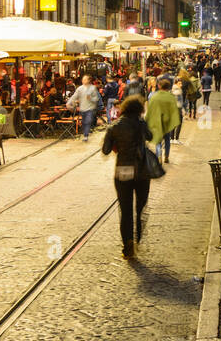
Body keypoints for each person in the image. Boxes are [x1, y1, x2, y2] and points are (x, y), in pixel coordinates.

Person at [102, 96, 154, 259]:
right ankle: (137, 238)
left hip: (123, 168)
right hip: (141, 170)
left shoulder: (114, 126)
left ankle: (128, 244)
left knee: (125, 210)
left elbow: (105, 150)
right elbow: (150, 136)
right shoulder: (141, 124)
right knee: (139, 208)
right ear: (139, 109)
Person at [146, 77, 182, 164]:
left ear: (159, 86)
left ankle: (159, 156)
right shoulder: (171, 97)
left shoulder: (155, 97)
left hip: (158, 122)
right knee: (167, 140)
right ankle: (166, 156)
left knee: (158, 141)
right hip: (167, 122)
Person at [65, 75, 103, 141]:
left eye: (85, 80)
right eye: (83, 79)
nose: (83, 81)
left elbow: (97, 100)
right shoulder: (80, 89)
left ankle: (88, 133)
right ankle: (87, 133)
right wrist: (69, 103)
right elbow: (74, 96)